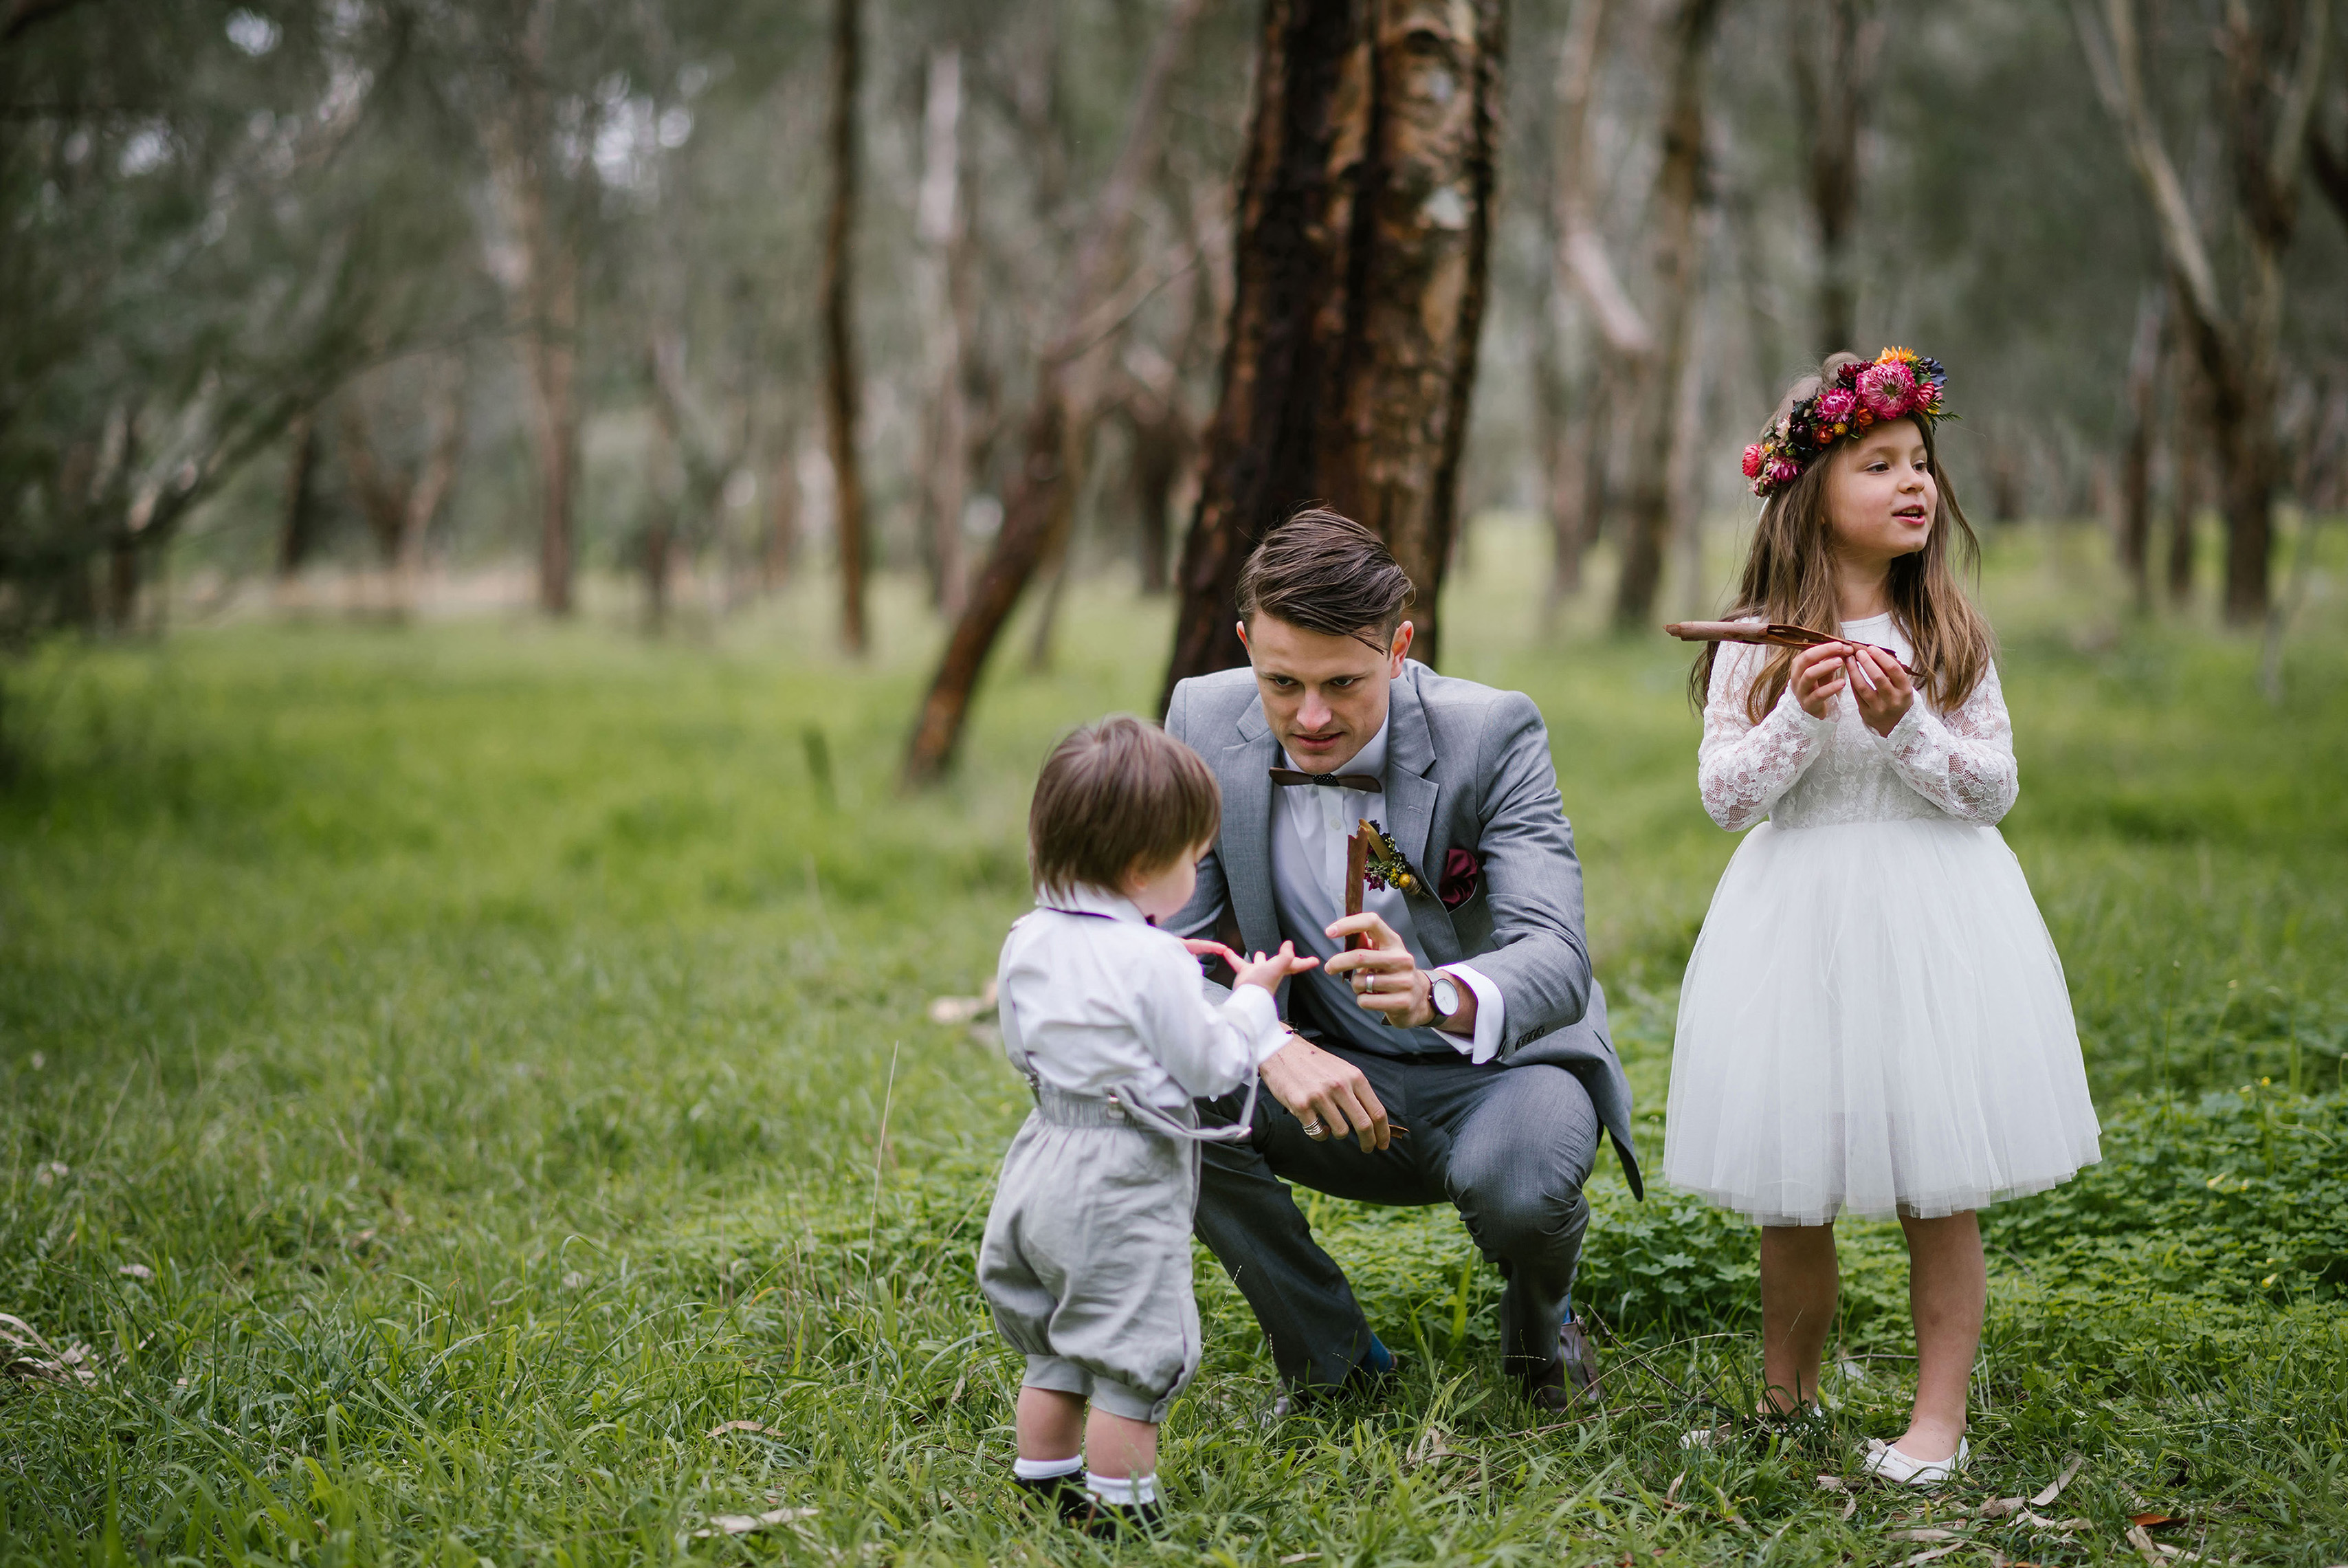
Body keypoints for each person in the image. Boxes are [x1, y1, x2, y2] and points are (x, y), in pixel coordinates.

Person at [1666, 351, 2101, 1485]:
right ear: (1812, 491)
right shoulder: (1754, 640)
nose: (1913, 483)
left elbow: (1992, 789)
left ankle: (1935, 1422)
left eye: (1920, 463)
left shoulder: (1947, 629)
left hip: (1932, 923)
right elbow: (1724, 799)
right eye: (1879, 464)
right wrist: (1799, 723)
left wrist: (1906, 725)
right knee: (1789, 1188)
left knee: (1934, 1186)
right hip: (1795, 927)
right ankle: (1785, 1400)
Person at [1163, 509, 1641, 1415]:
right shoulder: (1201, 717)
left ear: (1400, 648)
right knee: (1161, 1089)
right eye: (1281, 682)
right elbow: (1167, 958)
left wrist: (1435, 993)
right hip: (1323, 1076)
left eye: (1342, 683)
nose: (1309, 716)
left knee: (1522, 1186)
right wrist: (1262, 1038)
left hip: (1498, 1069)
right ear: (1244, 647)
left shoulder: (1492, 731)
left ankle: (1544, 1327)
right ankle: (1334, 1363)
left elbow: (1558, 955)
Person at [978, 716, 1316, 1534]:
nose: (1197, 871)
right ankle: (1121, 1522)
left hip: (1040, 1158)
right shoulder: (1155, 962)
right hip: (1120, 1173)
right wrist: (1251, 998)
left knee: (1053, 1346)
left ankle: (1043, 1491)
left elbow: (1023, 1041)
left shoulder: (1027, 937)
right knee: (1130, 1354)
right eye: (1191, 859)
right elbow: (1210, 1066)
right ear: (1140, 868)